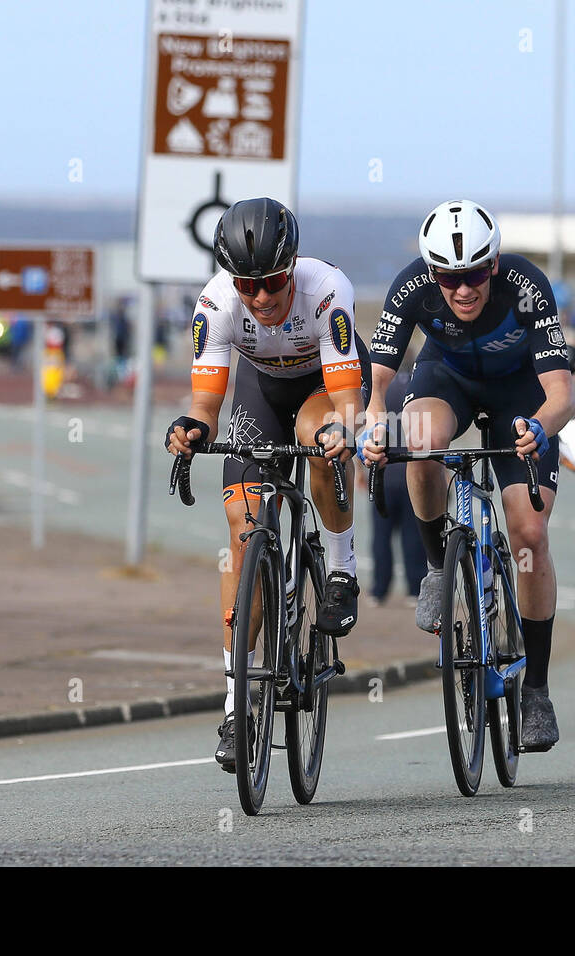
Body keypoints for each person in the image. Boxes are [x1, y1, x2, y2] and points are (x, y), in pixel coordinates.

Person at [360, 199, 575, 752]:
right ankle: (437, 565)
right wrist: (373, 429)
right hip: (447, 377)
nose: (463, 289)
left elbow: (560, 395)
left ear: (495, 264)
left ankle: (537, 691)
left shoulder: (528, 286)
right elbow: (378, 386)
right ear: (433, 272)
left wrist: (541, 427)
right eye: (450, 277)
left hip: (518, 394)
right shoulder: (411, 287)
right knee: (422, 438)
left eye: (476, 274)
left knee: (529, 533)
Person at [165, 197, 371, 772]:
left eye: (272, 281)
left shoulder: (327, 290)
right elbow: (207, 401)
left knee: (319, 437)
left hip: (323, 390)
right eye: (248, 285)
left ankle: (340, 568)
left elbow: (348, 400)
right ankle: (236, 706)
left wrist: (342, 428)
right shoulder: (216, 303)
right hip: (258, 394)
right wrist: (191, 428)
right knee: (243, 530)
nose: (260, 296)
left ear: (293, 266)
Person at [368, 363, 427, 607]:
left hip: (384, 471)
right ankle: (415, 589)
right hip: (413, 472)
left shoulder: (382, 392)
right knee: (413, 537)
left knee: (381, 537)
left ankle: (379, 590)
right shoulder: (421, 391)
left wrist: (365, 474)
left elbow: (370, 432)